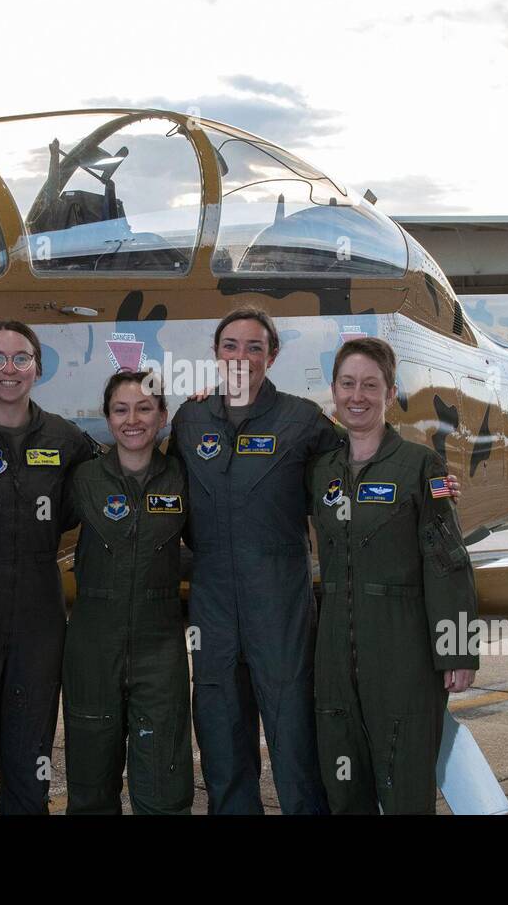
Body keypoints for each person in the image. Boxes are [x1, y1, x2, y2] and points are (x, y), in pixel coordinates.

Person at [167, 306, 344, 814]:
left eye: (253, 347)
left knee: (294, 733)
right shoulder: (190, 417)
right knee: (221, 735)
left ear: (273, 355)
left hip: (280, 601)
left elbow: (355, 468)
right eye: (230, 346)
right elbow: (165, 495)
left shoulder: (303, 420)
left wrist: (427, 480)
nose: (241, 356)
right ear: (215, 352)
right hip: (213, 602)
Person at [309, 336, 479, 814]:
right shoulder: (321, 470)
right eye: (347, 384)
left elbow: (449, 561)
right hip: (334, 658)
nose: (356, 395)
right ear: (334, 390)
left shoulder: (423, 465)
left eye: (369, 384)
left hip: (403, 654)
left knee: (405, 789)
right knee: (343, 787)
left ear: (389, 393)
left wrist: (458, 649)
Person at [0, 321, 97, 814]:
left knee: (32, 751)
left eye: (22, 358)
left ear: (38, 368)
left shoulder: (67, 439)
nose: (10, 369)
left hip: (38, 606)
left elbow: (105, 492)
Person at [61, 370, 194, 814]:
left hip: (160, 648)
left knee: (163, 780)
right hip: (93, 645)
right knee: (91, 781)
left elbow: (209, 547)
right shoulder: (82, 480)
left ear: (162, 416)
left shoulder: (182, 477)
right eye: (121, 410)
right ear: (107, 417)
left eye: (144, 408)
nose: (132, 419)